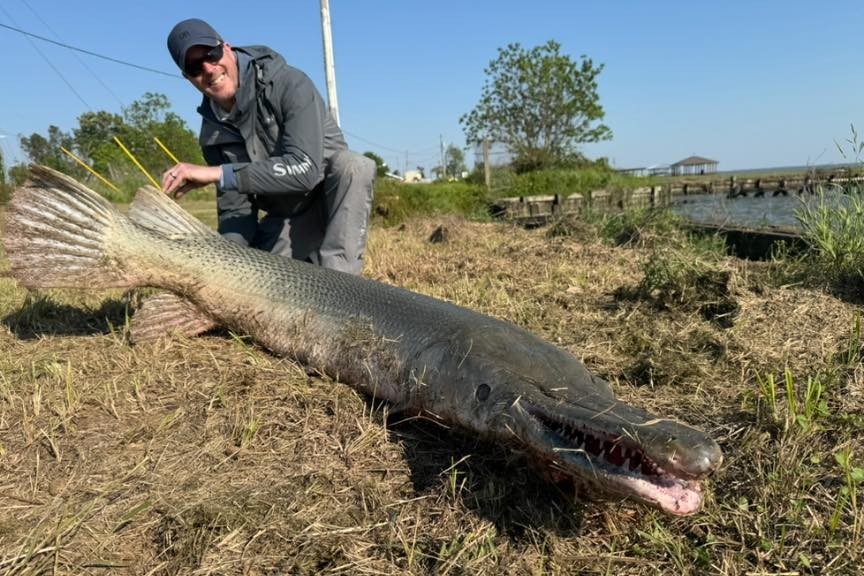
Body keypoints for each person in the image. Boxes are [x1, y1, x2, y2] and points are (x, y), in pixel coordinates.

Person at [163, 18, 375, 275]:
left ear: (227, 48)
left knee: (354, 166)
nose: (209, 68)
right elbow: (236, 209)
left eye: (212, 54)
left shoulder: (289, 84)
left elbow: (304, 170)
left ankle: (342, 283)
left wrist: (218, 174)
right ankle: (307, 261)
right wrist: (229, 265)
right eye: (195, 67)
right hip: (287, 218)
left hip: (330, 203)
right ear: (188, 78)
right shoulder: (212, 134)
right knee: (258, 276)